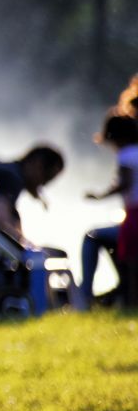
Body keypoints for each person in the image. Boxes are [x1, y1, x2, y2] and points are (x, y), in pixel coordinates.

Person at [73, 113, 137, 310]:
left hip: (134, 216)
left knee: (94, 238)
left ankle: (85, 297)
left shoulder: (126, 155)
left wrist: (100, 196)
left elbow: (125, 183)